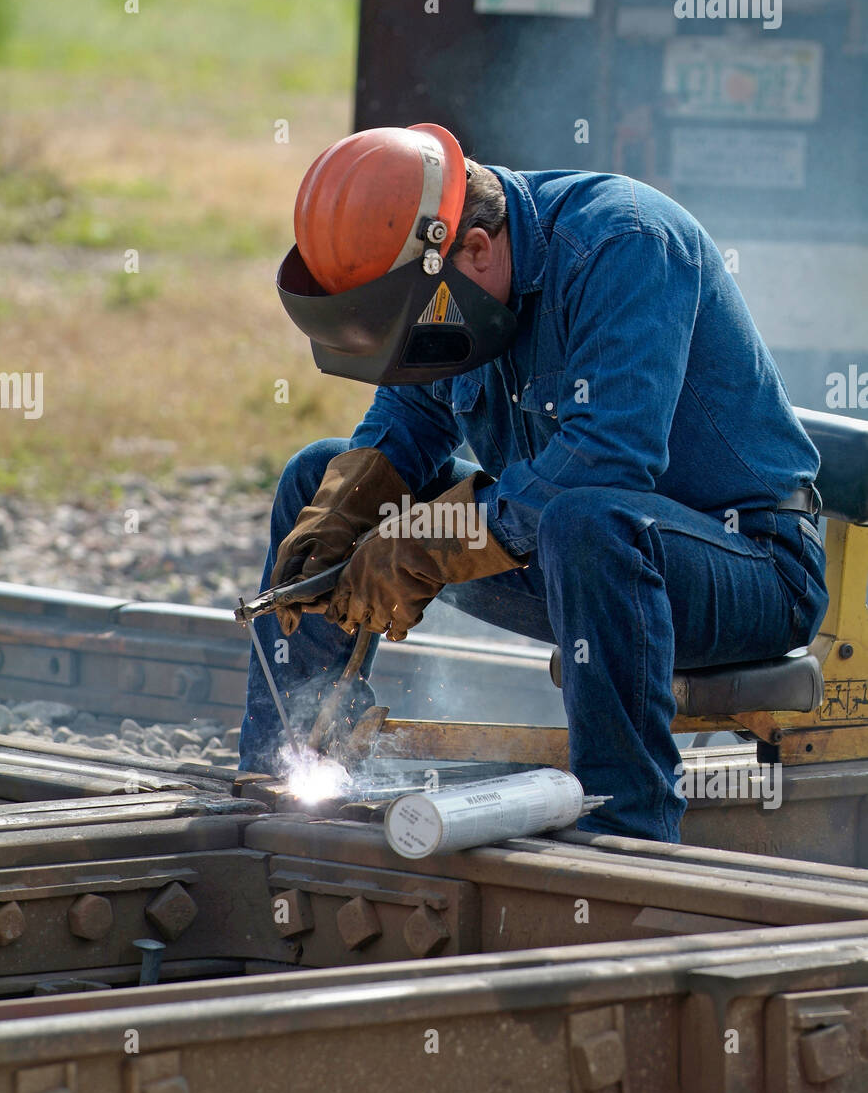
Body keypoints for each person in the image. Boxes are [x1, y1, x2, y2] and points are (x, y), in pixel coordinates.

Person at [238, 123, 828, 842]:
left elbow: (607, 460)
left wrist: (426, 540)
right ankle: (290, 769)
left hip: (747, 570)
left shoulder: (625, 243)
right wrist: (343, 512)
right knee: (314, 476)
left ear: (477, 251)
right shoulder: (457, 292)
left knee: (587, 519)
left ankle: (627, 826)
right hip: (575, 564)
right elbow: (409, 420)